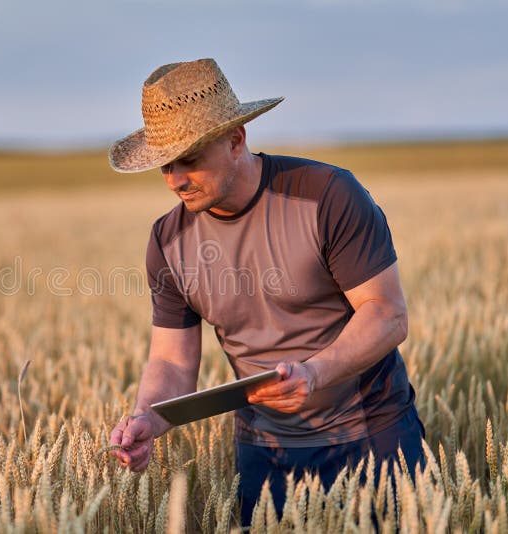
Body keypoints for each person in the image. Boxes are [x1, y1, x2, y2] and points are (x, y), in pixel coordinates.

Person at [106, 58, 426, 526]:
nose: (175, 180)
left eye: (189, 160)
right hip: (264, 455)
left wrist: (315, 373)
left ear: (236, 140)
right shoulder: (167, 241)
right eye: (166, 165)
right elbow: (172, 360)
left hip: (372, 437)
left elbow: (387, 314)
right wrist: (149, 420)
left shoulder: (328, 196)